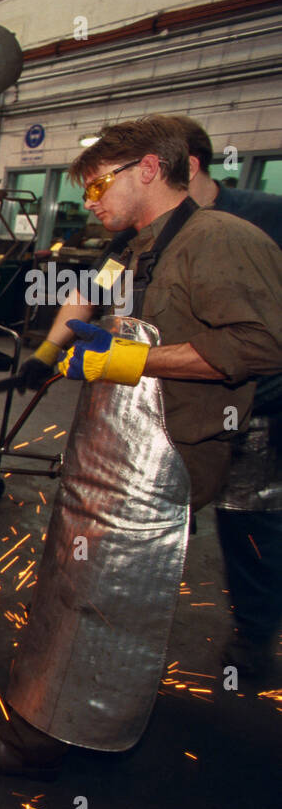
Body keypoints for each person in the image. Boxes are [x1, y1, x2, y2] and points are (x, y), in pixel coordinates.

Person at [0, 116, 282, 777]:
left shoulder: (220, 239)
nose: (91, 201)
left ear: (150, 170)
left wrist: (127, 361)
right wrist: (47, 356)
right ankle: (53, 711)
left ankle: (56, 735)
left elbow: (259, 345)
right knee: (82, 583)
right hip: (127, 449)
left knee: (110, 595)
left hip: (183, 448)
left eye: (100, 185)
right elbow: (83, 297)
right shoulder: (132, 245)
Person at [170, 114, 282, 680]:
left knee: (250, 523)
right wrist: (50, 352)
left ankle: (255, 637)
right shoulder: (159, 228)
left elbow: (258, 338)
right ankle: (135, 623)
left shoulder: (262, 220)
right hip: (183, 410)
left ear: (185, 166)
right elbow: (96, 288)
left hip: (259, 408)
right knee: (162, 523)